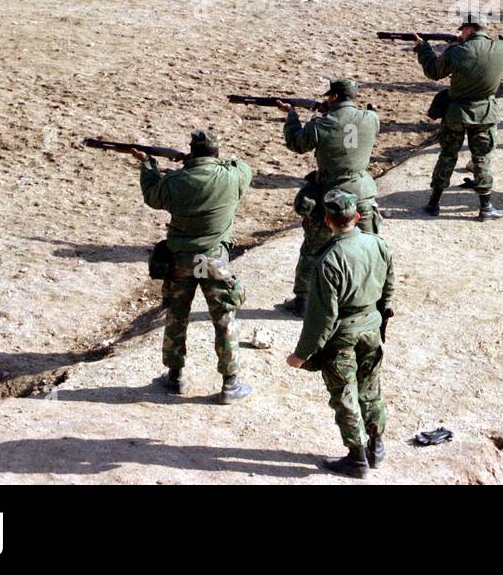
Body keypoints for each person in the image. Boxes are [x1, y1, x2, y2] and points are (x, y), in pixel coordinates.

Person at [130, 129, 253, 403]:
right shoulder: (232, 177)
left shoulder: (175, 180)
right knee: (223, 319)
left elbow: (152, 196)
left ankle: (175, 377)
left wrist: (148, 165)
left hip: (181, 260)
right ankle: (230, 383)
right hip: (213, 260)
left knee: (176, 316)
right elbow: (244, 166)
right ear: (216, 152)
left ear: (191, 151)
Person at [286, 189, 396, 479]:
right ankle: (376, 445)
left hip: (342, 339)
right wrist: (379, 320)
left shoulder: (329, 260)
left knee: (345, 396)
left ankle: (357, 458)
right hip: (371, 330)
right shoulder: (377, 244)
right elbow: (389, 289)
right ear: (357, 217)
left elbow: (322, 317)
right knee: (370, 389)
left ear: (327, 219)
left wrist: (302, 354)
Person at [277, 79, 379, 315]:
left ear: (333, 97)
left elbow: (296, 144)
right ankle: (365, 300)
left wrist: (292, 116)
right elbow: (356, 127)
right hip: (362, 192)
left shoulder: (321, 124)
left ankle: (303, 300)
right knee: (367, 250)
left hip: (330, 195)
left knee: (313, 249)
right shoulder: (370, 119)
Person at [414, 13, 503, 219]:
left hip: (456, 114)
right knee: (482, 159)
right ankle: (485, 208)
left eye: (462, 30)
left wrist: (423, 48)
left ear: (468, 30)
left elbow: (433, 71)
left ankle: (433, 204)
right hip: (485, 113)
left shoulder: (457, 51)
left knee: (447, 156)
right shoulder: (501, 47)